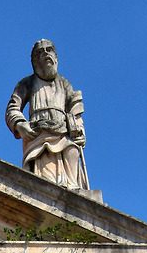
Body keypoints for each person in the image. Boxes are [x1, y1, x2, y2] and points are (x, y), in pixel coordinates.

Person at [5, 40, 88, 191]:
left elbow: (75, 107)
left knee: (73, 151)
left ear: (56, 57)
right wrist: (20, 124)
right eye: (40, 52)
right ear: (34, 61)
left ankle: (73, 191)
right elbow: (12, 108)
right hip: (39, 134)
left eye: (49, 50)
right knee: (46, 177)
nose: (45, 53)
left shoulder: (64, 84)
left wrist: (79, 127)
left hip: (63, 132)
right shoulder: (27, 83)